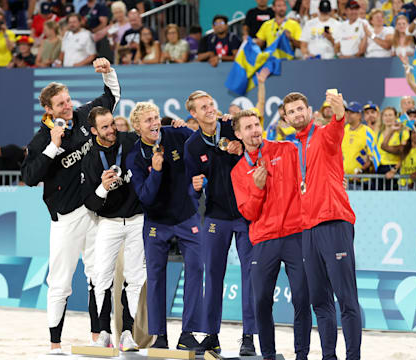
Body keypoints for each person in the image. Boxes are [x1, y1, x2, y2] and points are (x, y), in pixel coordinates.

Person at [21, 58, 121, 354]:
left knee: (99, 275)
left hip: (94, 209)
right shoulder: (41, 140)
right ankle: (55, 344)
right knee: (60, 282)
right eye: (60, 104)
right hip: (65, 218)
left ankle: (98, 337)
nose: (67, 106)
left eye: (67, 100)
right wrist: (53, 146)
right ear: (48, 110)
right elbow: (29, 177)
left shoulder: (81, 117)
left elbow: (110, 98)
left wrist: (109, 73)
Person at [282, 92, 360, 360]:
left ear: (309, 110)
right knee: (320, 302)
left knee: (346, 300)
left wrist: (339, 109)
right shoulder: (292, 147)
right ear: (286, 118)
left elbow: (339, 122)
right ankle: (329, 357)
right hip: (308, 230)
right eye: (291, 112)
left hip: (334, 222)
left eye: (300, 109)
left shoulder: (325, 135)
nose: (296, 114)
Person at [230, 109, 311, 360]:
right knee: (262, 301)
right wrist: (257, 188)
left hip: (295, 234)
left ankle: (302, 354)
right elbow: (249, 214)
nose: (254, 130)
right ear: (238, 134)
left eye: (256, 124)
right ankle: (268, 355)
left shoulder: (286, 149)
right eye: (248, 127)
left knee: (301, 297)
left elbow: (307, 177)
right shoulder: (238, 172)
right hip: (264, 240)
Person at [125, 102, 204, 353]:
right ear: (137, 127)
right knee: (156, 279)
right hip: (156, 223)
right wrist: (156, 172)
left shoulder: (177, 133)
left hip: (186, 217)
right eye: (148, 120)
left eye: (156, 117)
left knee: (196, 269)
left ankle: (188, 333)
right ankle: (159, 336)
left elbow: (205, 146)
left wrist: (200, 181)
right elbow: (145, 197)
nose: (154, 123)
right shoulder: (134, 157)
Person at [183, 91, 256, 356]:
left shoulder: (232, 126)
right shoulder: (192, 146)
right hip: (215, 216)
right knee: (213, 277)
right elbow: (192, 188)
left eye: (211, 104)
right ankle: (211, 335)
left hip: (246, 214)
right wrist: (194, 186)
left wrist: (244, 148)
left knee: (251, 276)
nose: (210, 109)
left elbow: (257, 149)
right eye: (203, 107)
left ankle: (249, 336)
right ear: (194, 114)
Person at [81, 107, 145, 351]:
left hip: (137, 219)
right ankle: (104, 332)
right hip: (108, 223)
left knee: (135, 277)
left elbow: (155, 135)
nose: (111, 130)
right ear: (95, 130)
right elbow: (90, 202)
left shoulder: (129, 141)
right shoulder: (90, 158)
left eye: (113, 124)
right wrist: (103, 188)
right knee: (101, 278)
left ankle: (127, 332)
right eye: (105, 127)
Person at [377, 106, 409, 190]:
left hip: (395, 169)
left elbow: (405, 154)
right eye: (385, 115)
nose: (388, 118)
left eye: (390, 115)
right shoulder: (378, 134)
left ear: (395, 117)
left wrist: (394, 170)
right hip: (380, 169)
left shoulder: (403, 133)